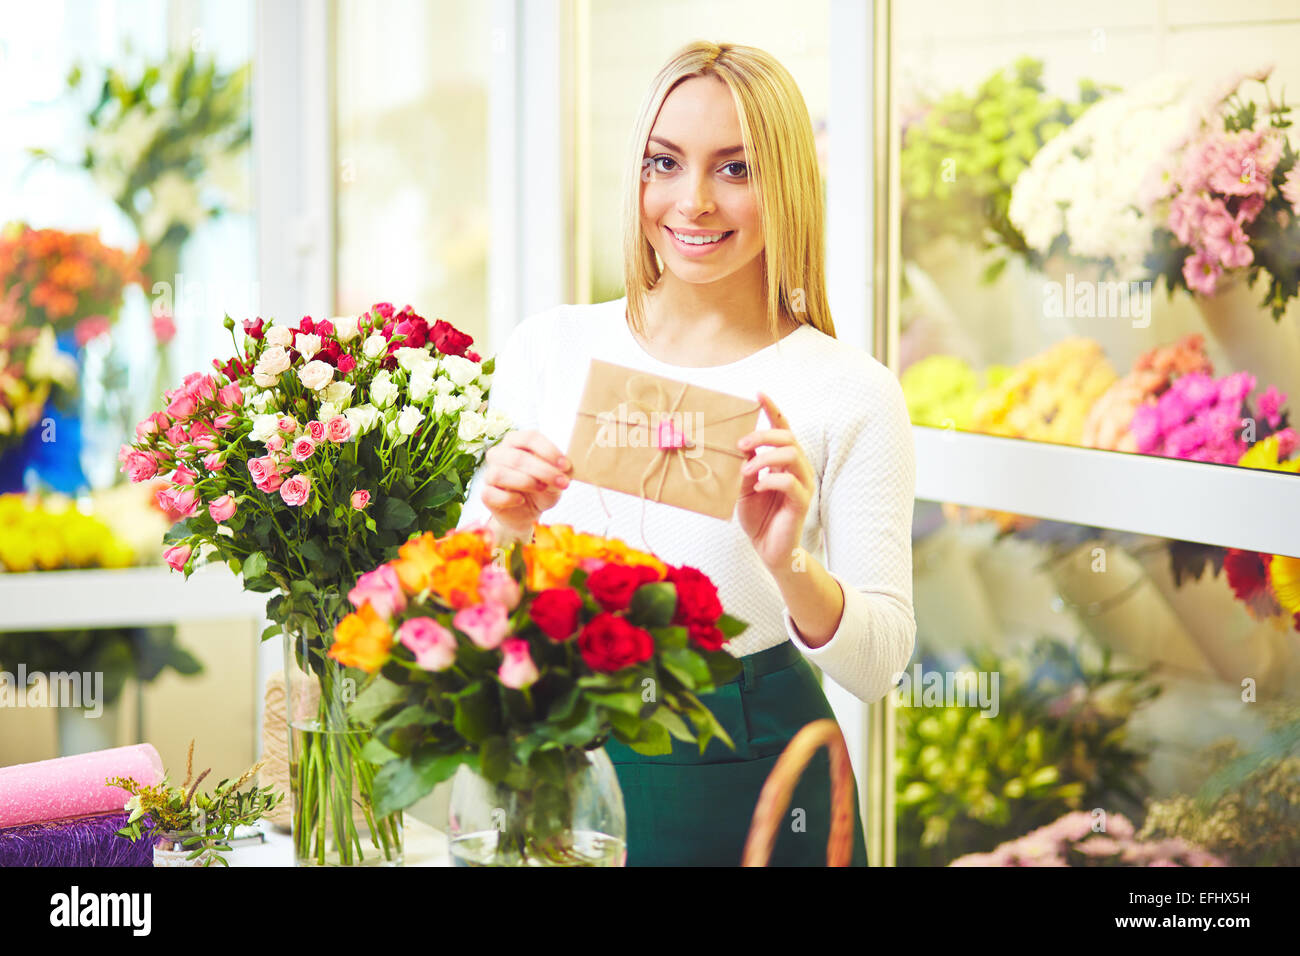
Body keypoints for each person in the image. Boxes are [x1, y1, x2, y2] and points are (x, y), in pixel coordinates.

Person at [457, 40, 916, 866]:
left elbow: (880, 664)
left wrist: (790, 566)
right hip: (547, 755)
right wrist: (503, 524)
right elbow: (465, 605)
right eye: (664, 163)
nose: (692, 201)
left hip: (745, 767)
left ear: (788, 186)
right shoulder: (550, 348)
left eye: (735, 170)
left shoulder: (850, 389)